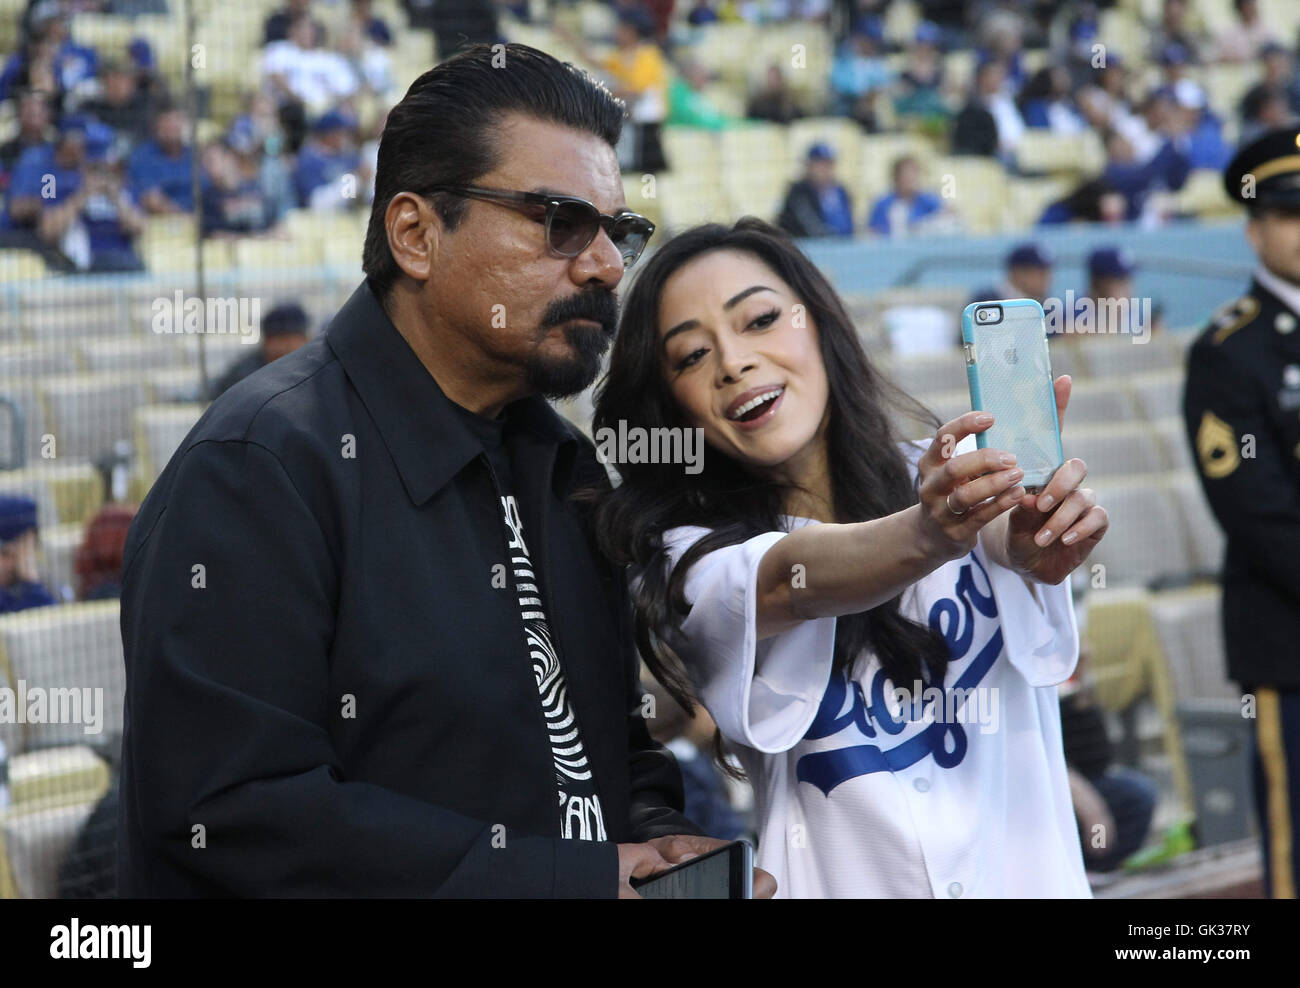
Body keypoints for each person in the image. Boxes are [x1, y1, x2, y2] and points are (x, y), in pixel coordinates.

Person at [118, 42, 773, 899]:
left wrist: (658, 848)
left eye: (618, 232)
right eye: (559, 222)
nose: (608, 265)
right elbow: (227, 816)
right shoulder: (262, 465)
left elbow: (608, 749)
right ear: (416, 235)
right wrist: (562, 883)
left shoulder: (565, 468)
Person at [587, 217, 1110, 897]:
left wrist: (1035, 537)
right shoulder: (687, 556)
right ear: (673, 407)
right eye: (690, 356)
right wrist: (930, 533)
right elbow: (790, 582)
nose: (733, 362)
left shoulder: (953, 478)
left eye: (761, 319)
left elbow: (1000, 532)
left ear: (821, 319)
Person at [1183, 126, 1300, 899]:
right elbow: (1259, 516)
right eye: (1293, 214)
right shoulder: (1230, 350)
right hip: (1290, 644)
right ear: (1255, 227)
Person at [208, 302, 313, 399]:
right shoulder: (246, 374)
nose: (285, 346)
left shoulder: (310, 366)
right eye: (281, 338)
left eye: (292, 338)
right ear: (267, 341)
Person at [776, 143, 854, 239]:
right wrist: (834, 239)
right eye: (820, 165)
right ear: (808, 166)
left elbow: (849, 225)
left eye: (829, 165)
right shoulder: (798, 193)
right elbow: (810, 225)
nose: (825, 170)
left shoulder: (840, 192)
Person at [0, 495, 56, 614]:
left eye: (26, 554)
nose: (14, 564)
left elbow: (56, 625)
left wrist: (32, 581)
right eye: (5, 554)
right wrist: (32, 583)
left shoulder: (29, 583)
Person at [866, 155, 945, 237]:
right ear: (896, 178)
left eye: (913, 176)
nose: (910, 180)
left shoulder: (930, 201)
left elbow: (944, 220)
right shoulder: (882, 206)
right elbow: (873, 232)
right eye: (906, 176)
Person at [970, 241, 1053, 308]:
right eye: (1040, 274)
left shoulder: (1046, 305)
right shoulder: (984, 302)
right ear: (1017, 273)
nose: (1047, 280)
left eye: (1048, 273)